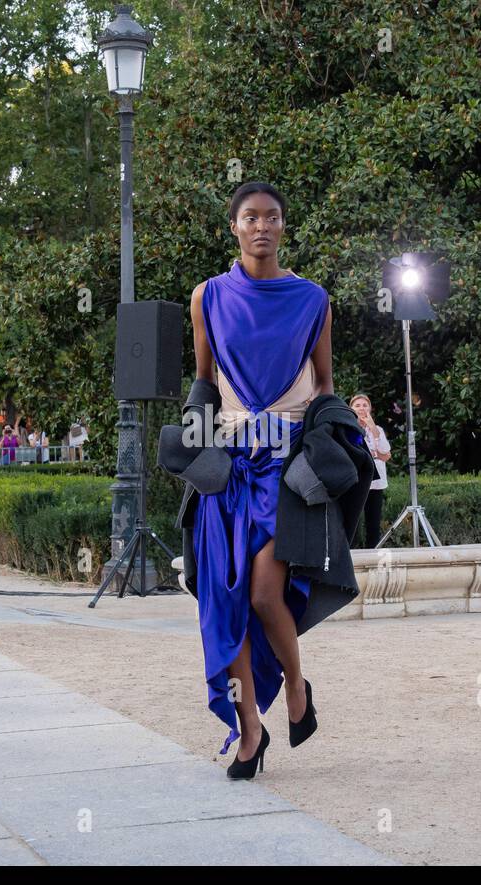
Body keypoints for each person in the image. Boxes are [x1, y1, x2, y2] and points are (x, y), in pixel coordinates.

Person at [173, 180, 371, 779]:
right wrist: (190, 443)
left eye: (273, 217)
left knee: (263, 594)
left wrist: (331, 438)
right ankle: (249, 733)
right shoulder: (206, 297)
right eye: (250, 217)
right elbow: (205, 383)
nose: (262, 226)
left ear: (284, 227)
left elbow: (328, 384)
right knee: (224, 600)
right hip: (228, 470)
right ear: (234, 227)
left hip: (285, 470)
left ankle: (293, 683)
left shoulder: (314, 300)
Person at [348, 393, 390, 549]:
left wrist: (373, 429)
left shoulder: (377, 429)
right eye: (357, 405)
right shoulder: (349, 429)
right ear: (351, 409)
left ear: (370, 408)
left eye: (365, 405)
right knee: (353, 520)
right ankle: (351, 553)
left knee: (373, 521)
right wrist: (375, 455)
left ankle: (373, 553)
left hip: (376, 482)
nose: (361, 408)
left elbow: (386, 453)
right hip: (357, 481)